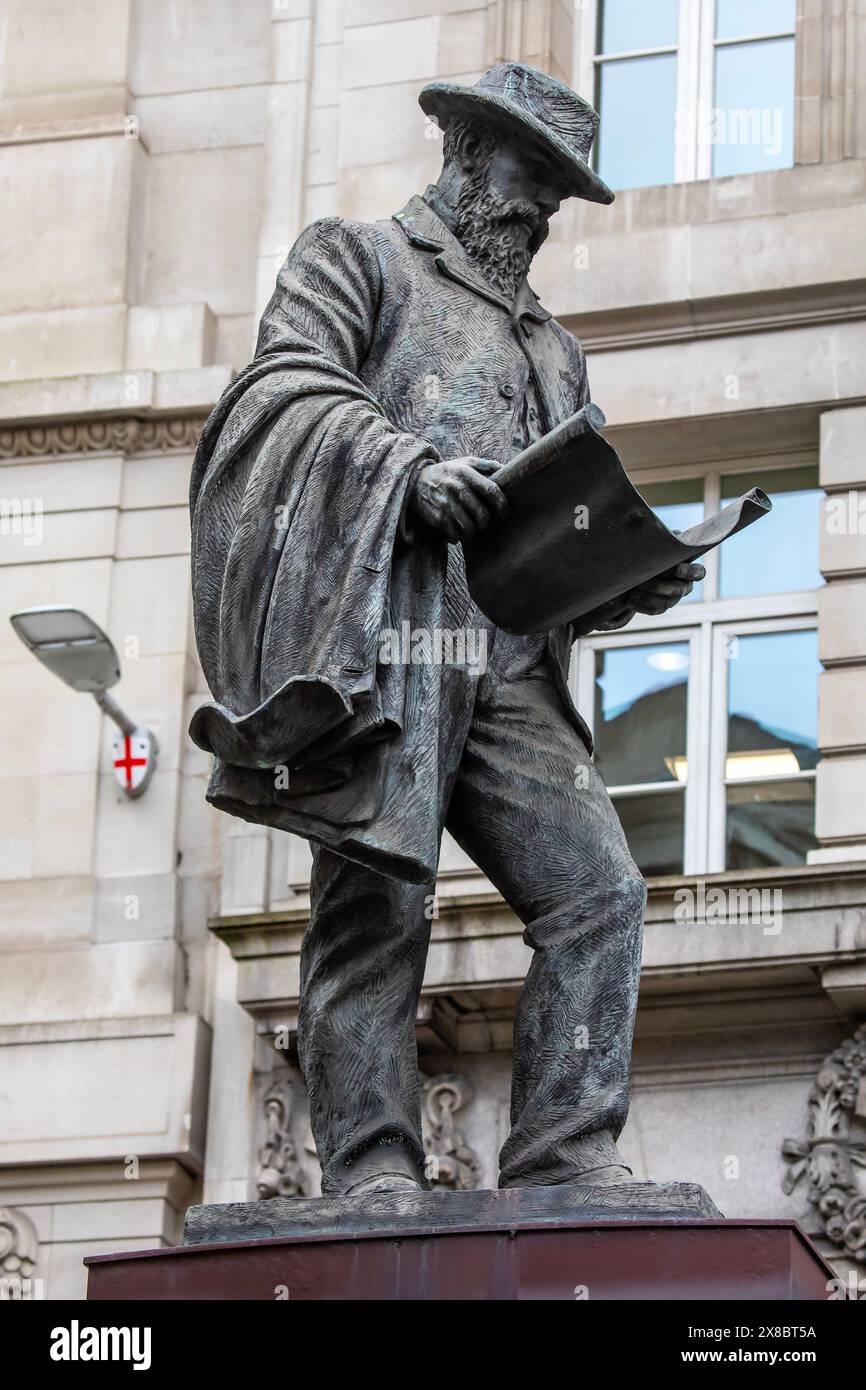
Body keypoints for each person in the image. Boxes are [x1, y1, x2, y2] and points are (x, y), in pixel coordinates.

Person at [189, 63, 704, 1195]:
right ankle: (369, 1166)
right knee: (377, 899)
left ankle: (563, 1151)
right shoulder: (357, 258)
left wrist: (620, 577)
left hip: (509, 665)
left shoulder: (552, 349)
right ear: (469, 153)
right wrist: (406, 473)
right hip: (389, 644)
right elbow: (279, 396)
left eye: (559, 195)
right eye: (531, 178)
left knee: (600, 891)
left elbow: (552, 522)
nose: (540, 210)